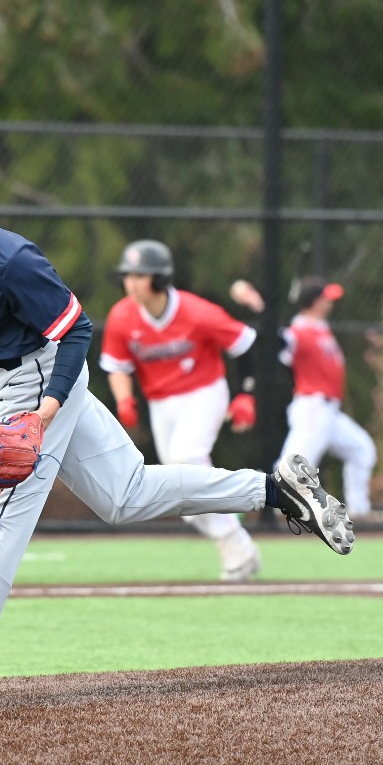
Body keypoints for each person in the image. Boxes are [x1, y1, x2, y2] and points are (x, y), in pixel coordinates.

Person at [0, 132, 353, 717]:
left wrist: (42, 416)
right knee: (127, 496)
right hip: (5, 382)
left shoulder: (7, 257)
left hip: (44, 378)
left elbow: (75, 333)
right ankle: (276, 490)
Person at [101, 239, 264, 582]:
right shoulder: (122, 316)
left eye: (139, 275)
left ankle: (235, 544)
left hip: (204, 392)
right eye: (127, 275)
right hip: (162, 404)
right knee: (177, 487)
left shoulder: (196, 312)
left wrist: (245, 395)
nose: (130, 282)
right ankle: (239, 545)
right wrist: (124, 399)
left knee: (187, 460)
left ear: (159, 279)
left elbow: (245, 342)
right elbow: (117, 366)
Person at [231, 276, 378, 515]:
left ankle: (359, 513)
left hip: (330, 412)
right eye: (325, 298)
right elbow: (277, 342)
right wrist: (257, 305)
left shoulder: (319, 328)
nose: (330, 302)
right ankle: (240, 494)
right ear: (315, 302)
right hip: (312, 409)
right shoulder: (299, 330)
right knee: (291, 471)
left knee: (362, 449)